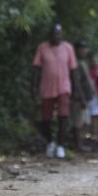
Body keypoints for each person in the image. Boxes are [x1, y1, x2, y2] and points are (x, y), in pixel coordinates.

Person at [32, 24, 78, 159]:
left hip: (64, 87)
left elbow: (73, 70)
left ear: (62, 35)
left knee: (63, 116)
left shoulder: (68, 48)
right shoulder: (42, 48)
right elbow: (36, 69)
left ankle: (61, 145)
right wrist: (33, 88)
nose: (56, 36)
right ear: (49, 35)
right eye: (54, 34)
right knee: (46, 118)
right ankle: (50, 142)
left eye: (58, 34)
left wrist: (75, 90)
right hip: (46, 87)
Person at [70, 41, 96, 152]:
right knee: (77, 122)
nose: (84, 51)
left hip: (85, 97)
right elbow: (77, 82)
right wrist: (81, 98)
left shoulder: (82, 62)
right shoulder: (75, 63)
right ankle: (77, 145)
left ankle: (79, 144)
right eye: (82, 49)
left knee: (82, 122)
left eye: (85, 49)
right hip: (78, 98)